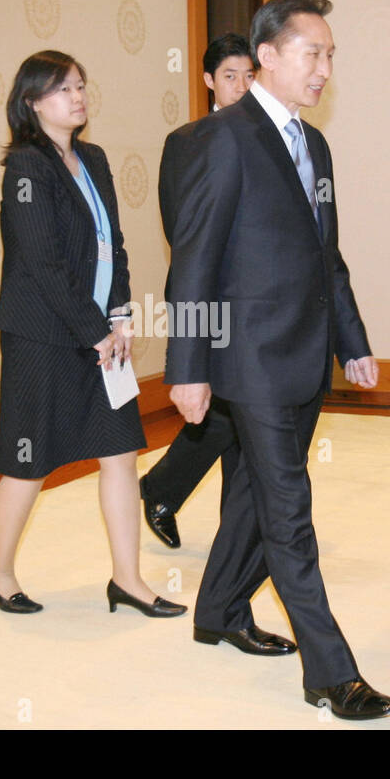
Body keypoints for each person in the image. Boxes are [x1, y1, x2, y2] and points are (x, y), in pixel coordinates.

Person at [164, 0, 390, 719]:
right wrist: (188, 366)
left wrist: (352, 341)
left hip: (307, 352)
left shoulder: (313, 145)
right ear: (268, 56)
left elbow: (327, 254)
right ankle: (332, 671)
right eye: (313, 54)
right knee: (291, 509)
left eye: (331, 56)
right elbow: (194, 260)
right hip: (250, 357)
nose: (325, 70)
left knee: (254, 498)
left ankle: (221, 607)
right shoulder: (224, 138)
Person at [0, 50, 184, 619]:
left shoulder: (91, 157)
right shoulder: (26, 166)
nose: (78, 97)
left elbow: (111, 243)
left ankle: (128, 579)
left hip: (100, 332)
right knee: (31, 459)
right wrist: (96, 330)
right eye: (64, 88)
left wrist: (118, 315)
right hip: (42, 335)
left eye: (81, 86)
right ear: (32, 101)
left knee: (122, 452)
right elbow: (42, 264)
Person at [140, 32, 255, 548]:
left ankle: (172, 491)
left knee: (239, 408)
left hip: (256, 300)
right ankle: (164, 488)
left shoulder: (269, 136)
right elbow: (180, 228)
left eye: (251, 75)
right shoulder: (186, 141)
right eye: (230, 76)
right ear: (209, 81)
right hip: (204, 293)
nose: (242, 85)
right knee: (229, 407)